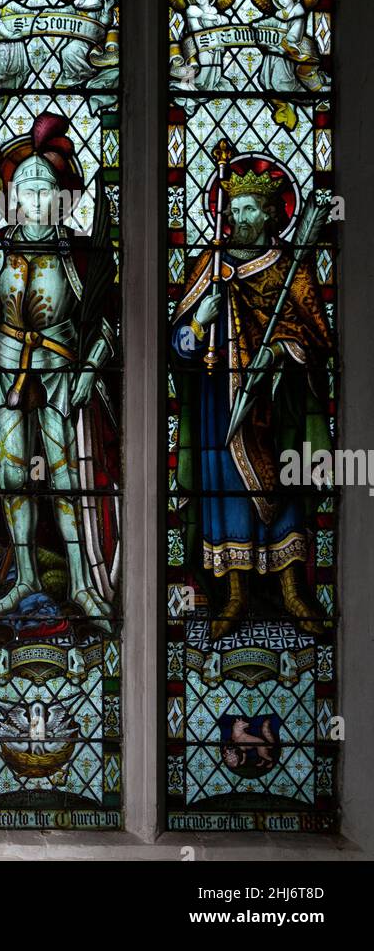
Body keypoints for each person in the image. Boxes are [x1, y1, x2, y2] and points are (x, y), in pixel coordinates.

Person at [0, 113, 119, 629]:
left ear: (59, 198)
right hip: (4, 374)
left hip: (60, 374)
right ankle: (25, 575)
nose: (35, 198)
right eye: (24, 190)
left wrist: (91, 367)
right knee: (11, 478)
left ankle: (82, 584)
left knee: (67, 479)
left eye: (44, 189)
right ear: (11, 199)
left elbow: (108, 316)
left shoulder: (78, 253)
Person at [171, 162, 332, 639]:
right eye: (234, 208)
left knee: (282, 485)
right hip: (217, 398)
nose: (239, 217)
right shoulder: (210, 267)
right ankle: (233, 592)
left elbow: (316, 336)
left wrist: (286, 347)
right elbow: (178, 345)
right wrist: (200, 318)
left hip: (276, 399)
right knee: (223, 486)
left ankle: (292, 589)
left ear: (269, 214)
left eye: (249, 208)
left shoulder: (288, 267)